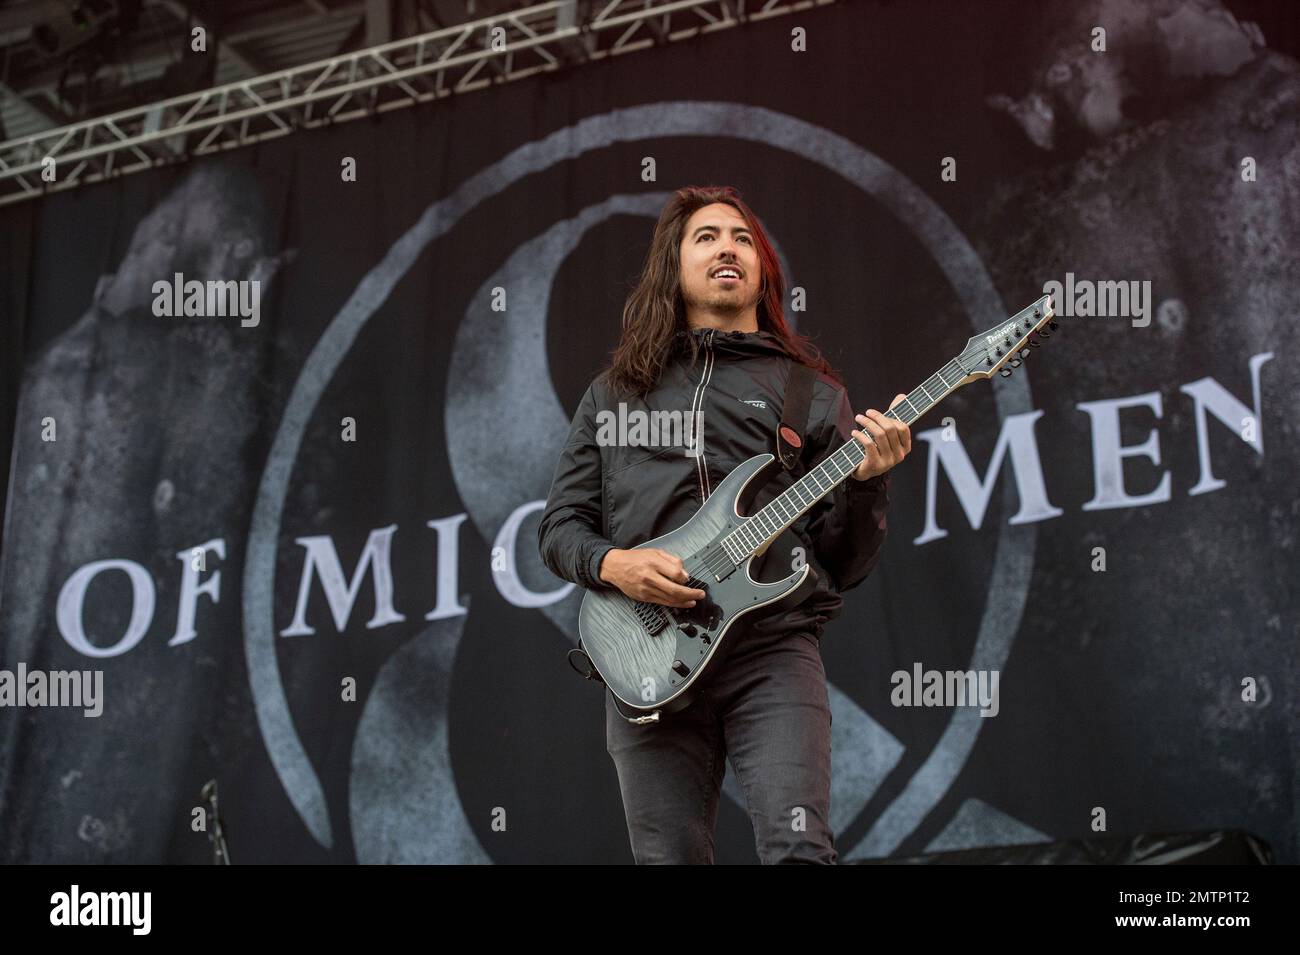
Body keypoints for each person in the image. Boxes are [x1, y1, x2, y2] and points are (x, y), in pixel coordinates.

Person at [537, 185, 911, 863]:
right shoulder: (615, 393)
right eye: (705, 237)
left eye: (742, 237)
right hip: (647, 654)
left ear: (762, 268)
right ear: (673, 266)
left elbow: (845, 563)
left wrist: (867, 482)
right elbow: (560, 526)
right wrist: (616, 565)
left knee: (800, 848)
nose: (727, 248)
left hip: (772, 649)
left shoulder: (812, 394)